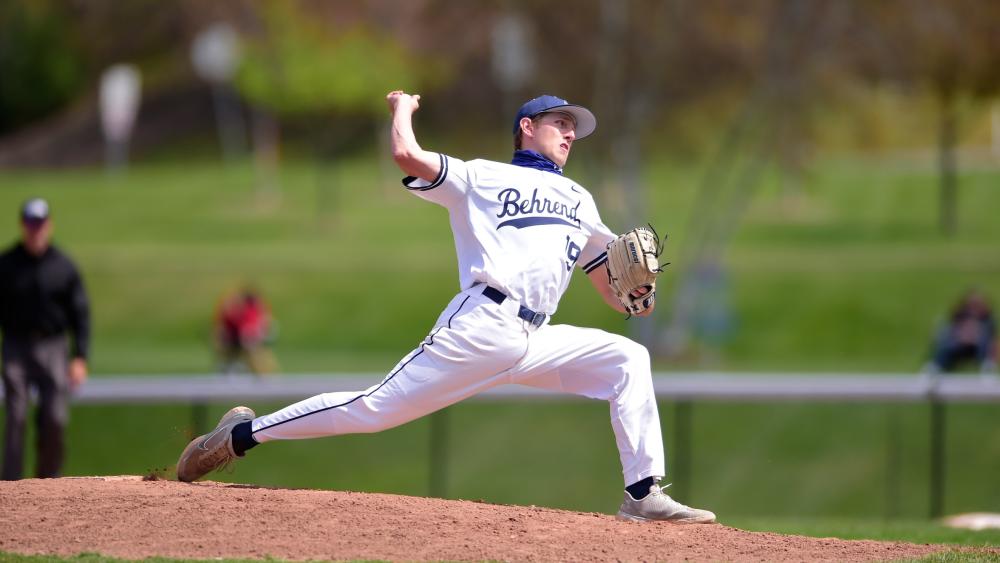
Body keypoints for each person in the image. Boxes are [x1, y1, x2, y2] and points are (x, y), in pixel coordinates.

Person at [176, 91, 716, 524]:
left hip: (537, 339)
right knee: (372, 410)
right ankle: (237, 437)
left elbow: (606, 279)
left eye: (574, 127)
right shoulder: (481, 176)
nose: (571, 133)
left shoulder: (581, 200)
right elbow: (406, 157)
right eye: (559, 122)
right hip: (481, 326)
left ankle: (643, 494)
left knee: (627, 359)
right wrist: (402, 110)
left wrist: (636, 299)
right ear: (527, 127)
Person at [0, 198, 90, 480]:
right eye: (30, 223)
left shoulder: (63, 266)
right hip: (16, 346)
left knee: (54, 417)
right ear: (23, 225)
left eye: (39, 223)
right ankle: (10, 484)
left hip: (53, 346)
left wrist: (80, 356)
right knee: (16, 415)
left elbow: (80, 314)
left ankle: (48, 481)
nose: (35, 229)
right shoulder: (7, 265)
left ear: (48, 225)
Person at [924, 290, 997, 375]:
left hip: (978, 347)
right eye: (972, 303)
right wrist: (962, 335)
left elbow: (991, 336)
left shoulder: (987, 319)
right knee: (946, 341)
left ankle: (987, 367)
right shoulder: (960, 315)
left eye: (977, 303)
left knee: (985, 341)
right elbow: (953, 330)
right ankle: (936, 367)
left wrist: (975, 335)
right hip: (959, 344)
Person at [214, 287, 278, 376]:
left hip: (252, 338)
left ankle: (263, 374)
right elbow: (222, 328)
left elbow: (261, 326)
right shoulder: (231, 310)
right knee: (229, 355)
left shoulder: (253, 309)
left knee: (255, 353)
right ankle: (228, 371)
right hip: (235, 338)